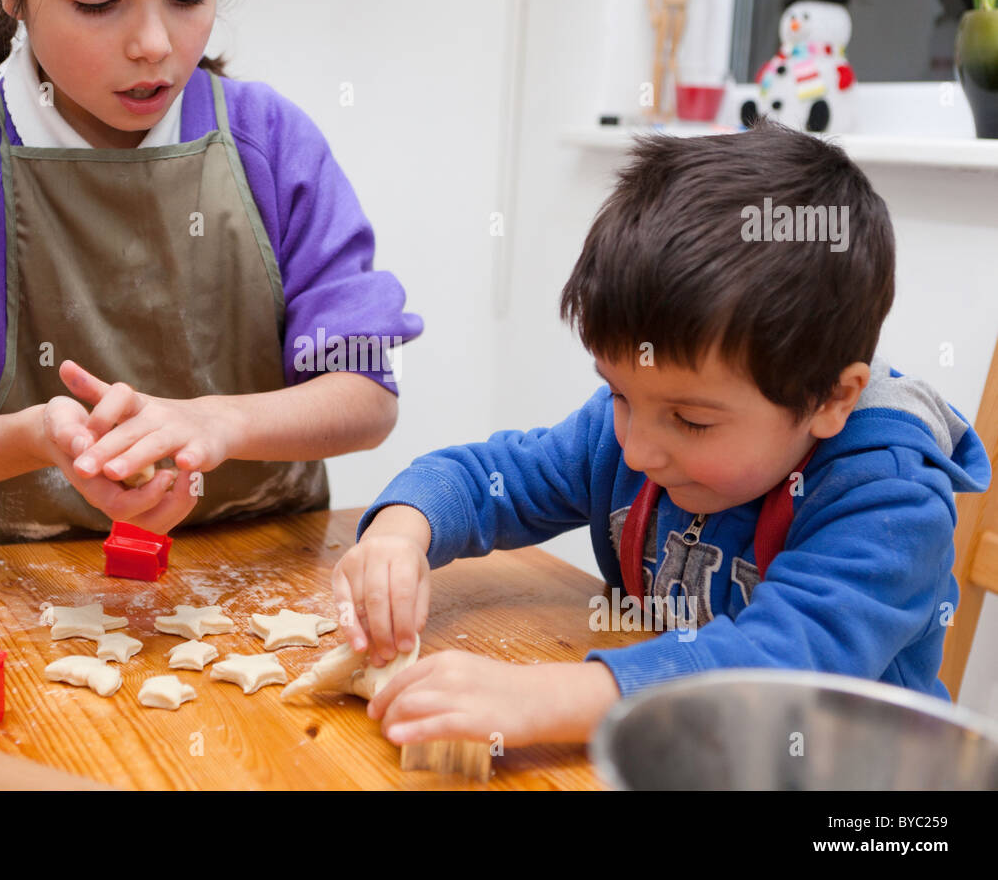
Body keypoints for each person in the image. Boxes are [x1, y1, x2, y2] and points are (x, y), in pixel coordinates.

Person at [334, 121, 990, 748]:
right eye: (620, 394)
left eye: (691, 421)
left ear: (831, 398)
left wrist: (546, 699)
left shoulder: (890, 502)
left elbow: (780, 669)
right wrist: (402, 532)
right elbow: (490, 479)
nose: (638, 450)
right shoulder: (636, 426)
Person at [0, 0, 421, 547]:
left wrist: (221, 420)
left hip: (272, 570)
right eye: (98, 3)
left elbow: (366, 396)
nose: (153, 44)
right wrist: (38, 436)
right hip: (43, 592)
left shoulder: (270, 141)